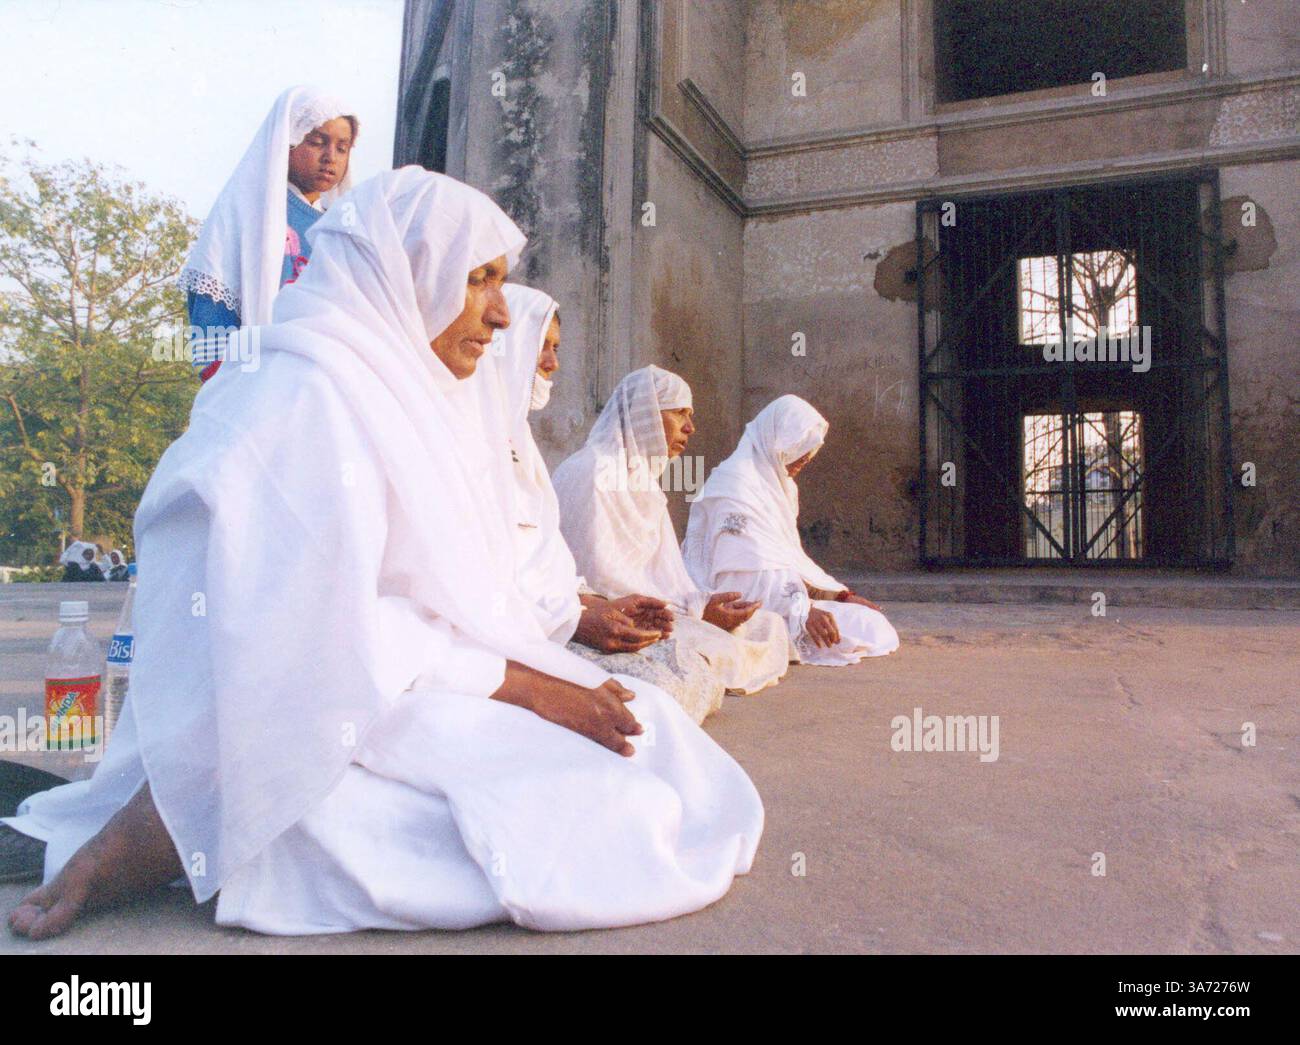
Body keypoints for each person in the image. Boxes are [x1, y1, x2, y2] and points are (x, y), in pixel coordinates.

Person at [3, 168, 761, 939]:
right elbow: (307, 642)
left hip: (400, 678)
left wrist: (548, 661)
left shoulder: (409, 391)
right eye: (478, 280)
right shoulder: (306, 393)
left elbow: (454, 592)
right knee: (597, 808)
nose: (501, 315)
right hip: (299, 707)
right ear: (405, 274)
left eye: (502, 284)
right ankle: (144, 835)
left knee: (654, 741)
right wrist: (531, 689)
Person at [487, 285, 722, 723]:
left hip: (563, 616)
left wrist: (686, 605)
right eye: (542, 347)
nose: (553, 364)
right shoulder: (586, 470)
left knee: (698, 667)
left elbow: (552, 568)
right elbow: (476, 588)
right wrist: (580, 616)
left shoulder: (520, 445)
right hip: (508, 642)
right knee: (661, 693)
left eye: (557, 348)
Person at [552, 366, 792, 698]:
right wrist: (694, 614)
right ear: (646, 415)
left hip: (661, 609)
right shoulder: (591, 471)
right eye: (679, 413)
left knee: (769, 625)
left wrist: (700, 603)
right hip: (610, 613)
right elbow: (599, 581)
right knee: (716, 651)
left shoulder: (643, 480)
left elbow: (663, 575)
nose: (690, 428)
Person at [683, 395, 899, 665]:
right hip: (737, 601)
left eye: (808, 453)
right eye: (798, 450)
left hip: (777, 595)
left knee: (869, 623)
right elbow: (742, 573)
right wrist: (801, 610)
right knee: (832, 631)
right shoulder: (734, 484)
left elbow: (786, 558)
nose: (804, 459)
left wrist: (841, 596)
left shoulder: (779, 485)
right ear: (776, 440)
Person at [178, 85, 359, 382]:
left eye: (342, 148)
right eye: (316, 142)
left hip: (323, 387)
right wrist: (233, 384)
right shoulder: (245, 212)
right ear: (285, 142)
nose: (330, 157)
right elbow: (211, 310)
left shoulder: (342, 230)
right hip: (256, 388)